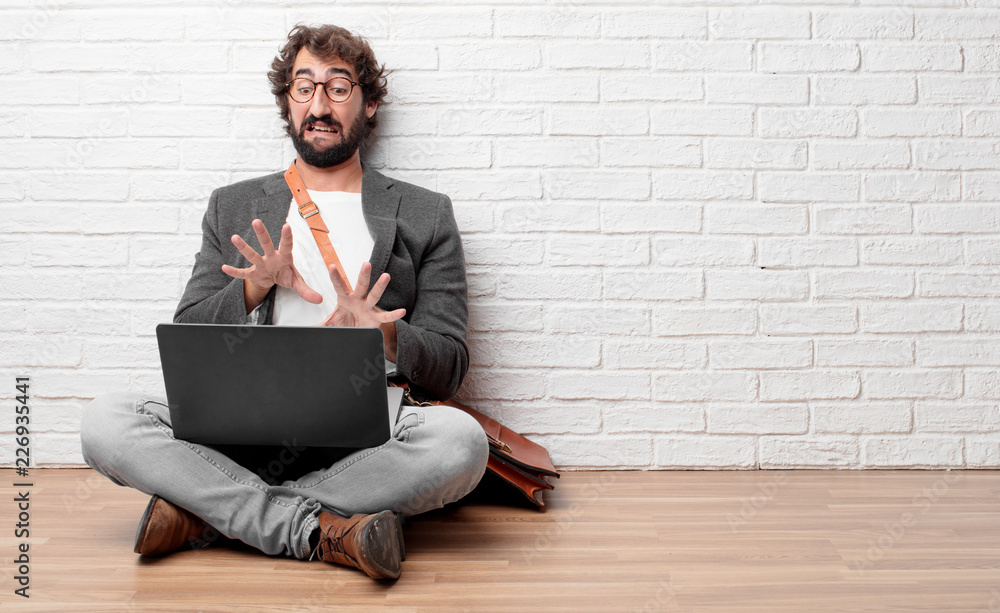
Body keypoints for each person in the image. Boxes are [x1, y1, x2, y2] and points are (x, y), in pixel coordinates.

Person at [80, 23, 489, 581]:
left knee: (461, 445)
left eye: (338, 87)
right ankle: (318, 530)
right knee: (105, 421)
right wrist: (252, 288)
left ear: (369, 105)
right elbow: (189, 336)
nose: (319, 105)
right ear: (286, 101)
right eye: (304, 87)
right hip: (242, 422)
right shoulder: (235, 205)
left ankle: (209, 516)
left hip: (368, 431)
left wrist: (385, 335)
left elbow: (451, 366)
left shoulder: (426, 212)